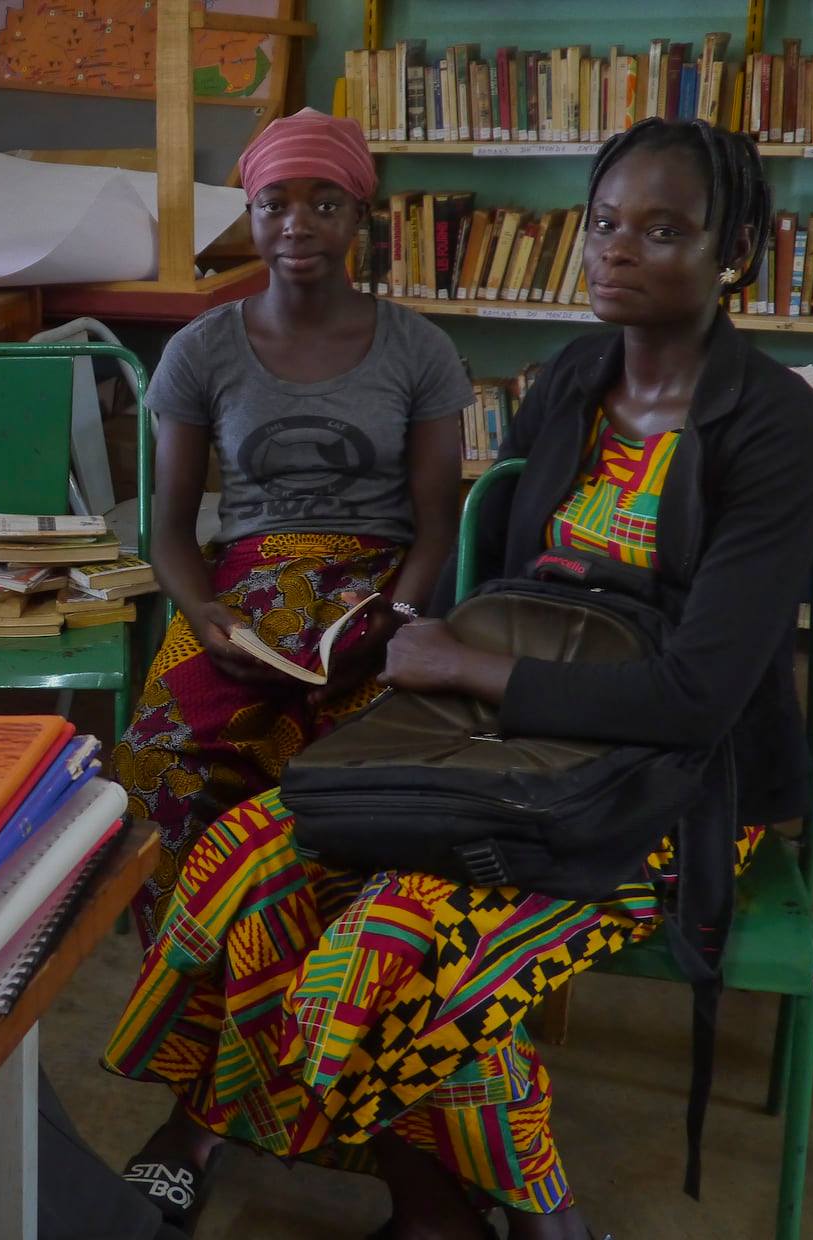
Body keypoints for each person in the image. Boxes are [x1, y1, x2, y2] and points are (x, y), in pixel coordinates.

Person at [105, 118, 813, 1240]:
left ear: (735, 248)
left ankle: (538, 1218)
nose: (614, 250)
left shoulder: (779, 427)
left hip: (668, 783)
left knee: (382, 950)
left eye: (663, 229)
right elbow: (505, 587)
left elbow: (700, 696)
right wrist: (447, 681)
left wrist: (465, 665)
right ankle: (417, 1193)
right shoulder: (573, 380)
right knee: (243, 861)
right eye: (602, 224)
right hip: (512, 749)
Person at [115, 108, 469, 1221]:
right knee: (164, 771)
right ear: (251, 214)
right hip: (244, 596)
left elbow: (437, 522)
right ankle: (198, 1097)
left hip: (379, 597)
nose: (299, 224)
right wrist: (209, 613)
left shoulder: (419, 347)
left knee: (346, 806)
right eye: (276, 202)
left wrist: (393, 617)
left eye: (326, 201)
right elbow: (171, 527)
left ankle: (329, 1073)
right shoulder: (202, 348)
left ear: (362, 215)